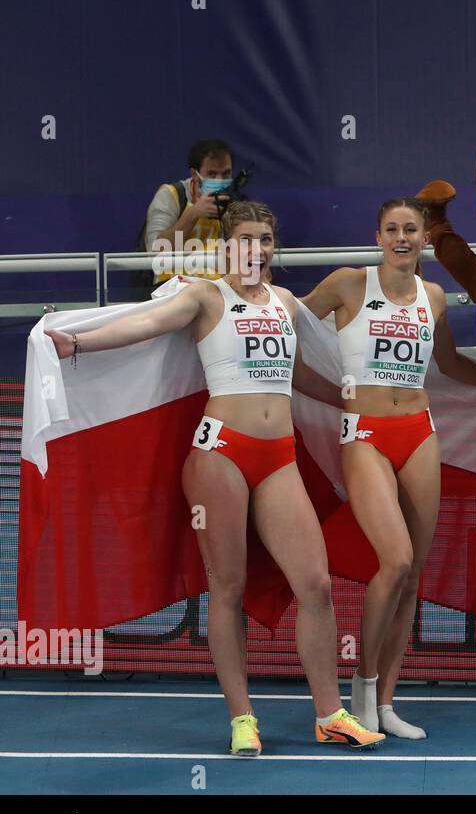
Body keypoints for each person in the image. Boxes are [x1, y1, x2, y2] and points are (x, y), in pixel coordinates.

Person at [47, 201, 384, 756]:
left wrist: (356, 400)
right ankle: (242, 718)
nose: (256, 249)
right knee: (227, 588)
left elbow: (299, 373)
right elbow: (146, 322)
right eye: (246, 239)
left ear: (274, 247)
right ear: (228, 246)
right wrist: (79, 342)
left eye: (266, 240)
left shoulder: (287, 304)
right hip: (219, 455)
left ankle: (330, 714)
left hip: (278, 458)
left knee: (316, 585)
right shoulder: (205, 296)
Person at [302, 197, 476, 738]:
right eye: (391, 229)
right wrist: (326, 393)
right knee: (395, 560)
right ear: (378, 235)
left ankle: (385, 702)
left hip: (419, 432)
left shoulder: (433, 296)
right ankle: (361, 690)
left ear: (424, 239)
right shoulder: (348, 284)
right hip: (364, 434)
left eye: (411, 229)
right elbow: (285, 320)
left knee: (413, 574)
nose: (402, 238)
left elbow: (450, 364)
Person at [137, 138, 242, 290]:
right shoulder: (172, 195)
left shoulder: (236, 202)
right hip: (172, 288)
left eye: (226, 174)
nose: (220, 180)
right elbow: (156, 252)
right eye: (212, 174)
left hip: (220, 289)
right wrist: (193, 214)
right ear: (195, 174)